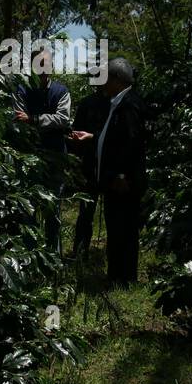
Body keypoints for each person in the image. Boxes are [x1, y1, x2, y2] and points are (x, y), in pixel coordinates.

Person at [67, 57, 148, 286]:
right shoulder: (118, 102)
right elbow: (115, 139)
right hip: (113, 179)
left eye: (107, 78)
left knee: (124, 229)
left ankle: (123, 279)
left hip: (123, 181)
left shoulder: (128, 105)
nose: (103, 82)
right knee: (116, 228)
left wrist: (121, 174)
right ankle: (117, 276)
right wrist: (92, 138)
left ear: (117, 80)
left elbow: (131, 143)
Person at [14, 45, 72, 252]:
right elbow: (18, 118)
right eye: (39, 63)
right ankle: (30, 256)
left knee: (53, 209)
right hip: (29, 156)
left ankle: (52, 257)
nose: (44, 67)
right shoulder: (22, 90)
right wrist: (39, 121)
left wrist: (34, 119)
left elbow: (63, 119)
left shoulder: (61, 91)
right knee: (27, 209)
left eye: (47, 63)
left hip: (55, 156)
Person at [69, 84, 111, 257]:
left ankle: (111, 251)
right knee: (86, 210)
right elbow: (76, 132)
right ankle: (80, 250)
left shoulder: (117, 103)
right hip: (90, 163)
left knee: (110, 212)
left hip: (109, 163)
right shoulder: (88, 103)